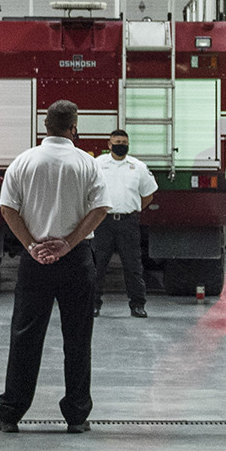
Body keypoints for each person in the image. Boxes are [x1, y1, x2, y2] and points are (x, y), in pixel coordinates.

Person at [0, 99, 111, 432]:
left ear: (44, 126)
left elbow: (8, 209)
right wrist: (69, 243)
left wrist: (32, 245)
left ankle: (10, 414)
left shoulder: (24, 161)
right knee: (77, 338)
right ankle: (76, 416)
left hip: (35, 262)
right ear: (74, 127)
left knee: (25, 336)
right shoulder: (87, 164)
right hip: (76, 261)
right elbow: (100, 209)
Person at [92, 128, 158, 318]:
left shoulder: (137, 166)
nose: (121, 146)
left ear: (128, 144)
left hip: (128, 223)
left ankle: (137, 305)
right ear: (109, 145)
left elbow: (148, 194)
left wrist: (134, 208)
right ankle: (94, 305)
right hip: (103, 222)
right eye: (117, 143)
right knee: (98, 265)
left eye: (124, 143)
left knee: (133, 266)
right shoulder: (98, 164)